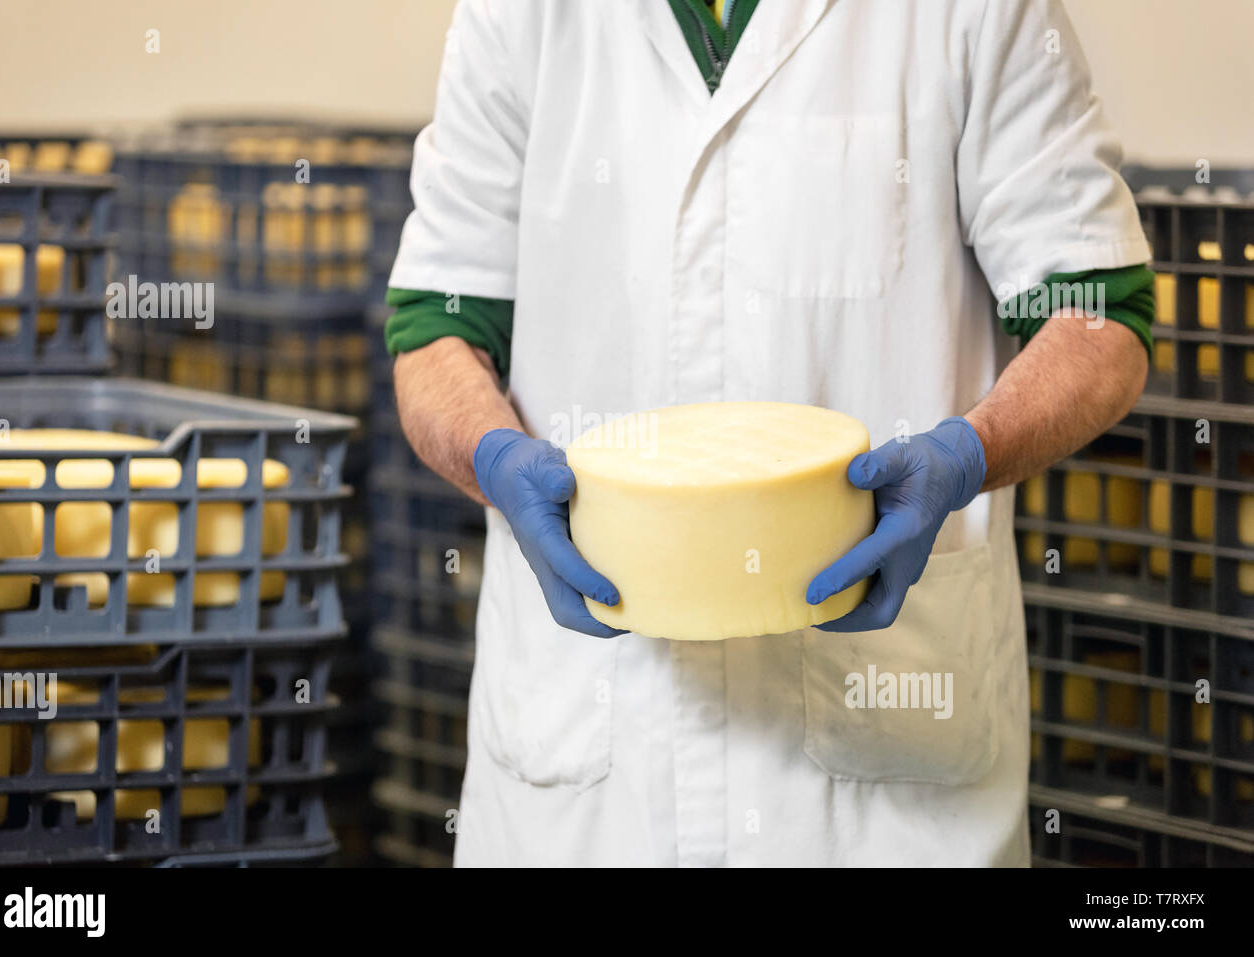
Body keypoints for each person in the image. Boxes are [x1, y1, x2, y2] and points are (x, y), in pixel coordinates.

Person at [385, 0, 1154, 866]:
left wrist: (967, 455)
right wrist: (493, 454)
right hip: (587, 777)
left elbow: (1101, 318)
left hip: (878, 792)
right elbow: (431, 329)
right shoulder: (517, 15)